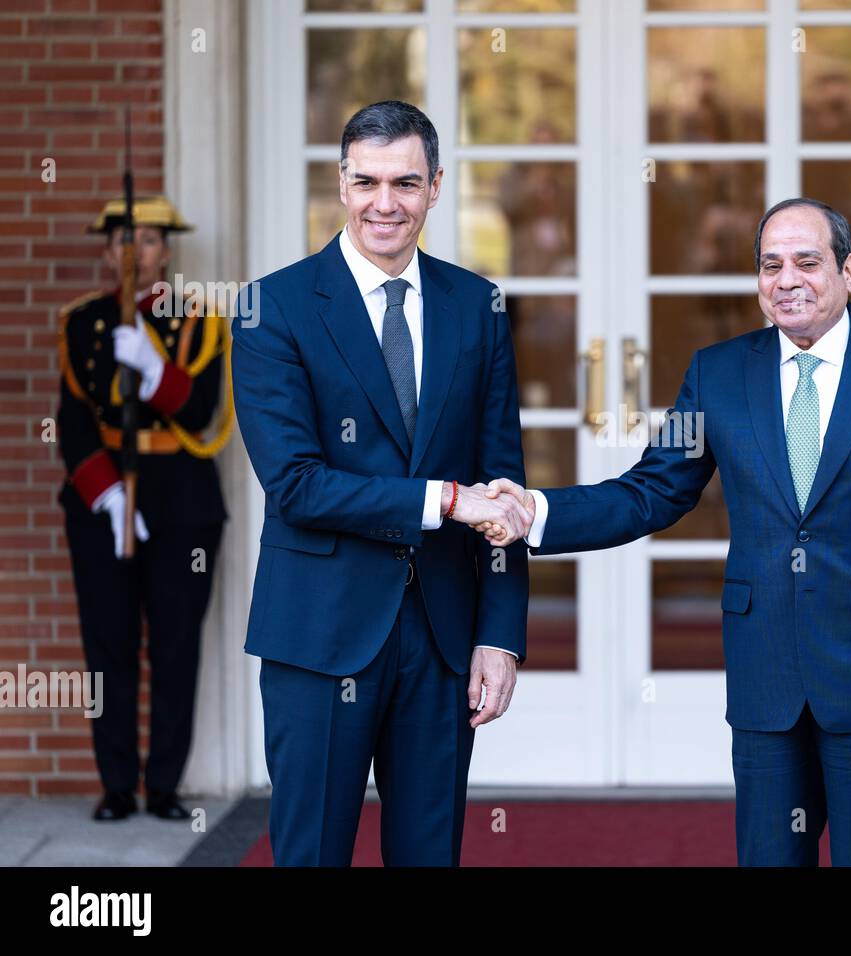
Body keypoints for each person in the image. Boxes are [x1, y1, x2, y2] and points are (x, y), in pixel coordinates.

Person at [483, 199, 851, 866]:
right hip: (767, 677)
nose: (787, 280)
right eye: (770, 265)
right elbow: (652, 492)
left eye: (807, 263)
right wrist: (535, 513)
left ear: (848, 270)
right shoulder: (720, 374)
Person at [230, 100, 534, 866]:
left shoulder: (479, 306)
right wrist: (446, 500)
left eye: (405, 182)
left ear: (436, 186)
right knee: (313, 854)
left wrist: (500, 634)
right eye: (366, 181)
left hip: (441, 635)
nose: (384, 203)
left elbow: (506, 483)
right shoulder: (275, 308)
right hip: (319, 631)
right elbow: (297, 484)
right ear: (341, 183)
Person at [57, 195, 231, 821]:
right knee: (108, 645)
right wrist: (107, 498)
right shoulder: (81, 322)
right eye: (124, 240)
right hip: (104, 501)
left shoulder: (199, 320)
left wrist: (155, 368)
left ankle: (164, 786)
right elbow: (72, 425)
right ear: (108, 252)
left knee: (176, 644)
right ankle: (116, 784)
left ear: (166, 252)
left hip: (182, 500)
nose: (136, 251)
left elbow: (201, 410)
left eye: (149, 240)